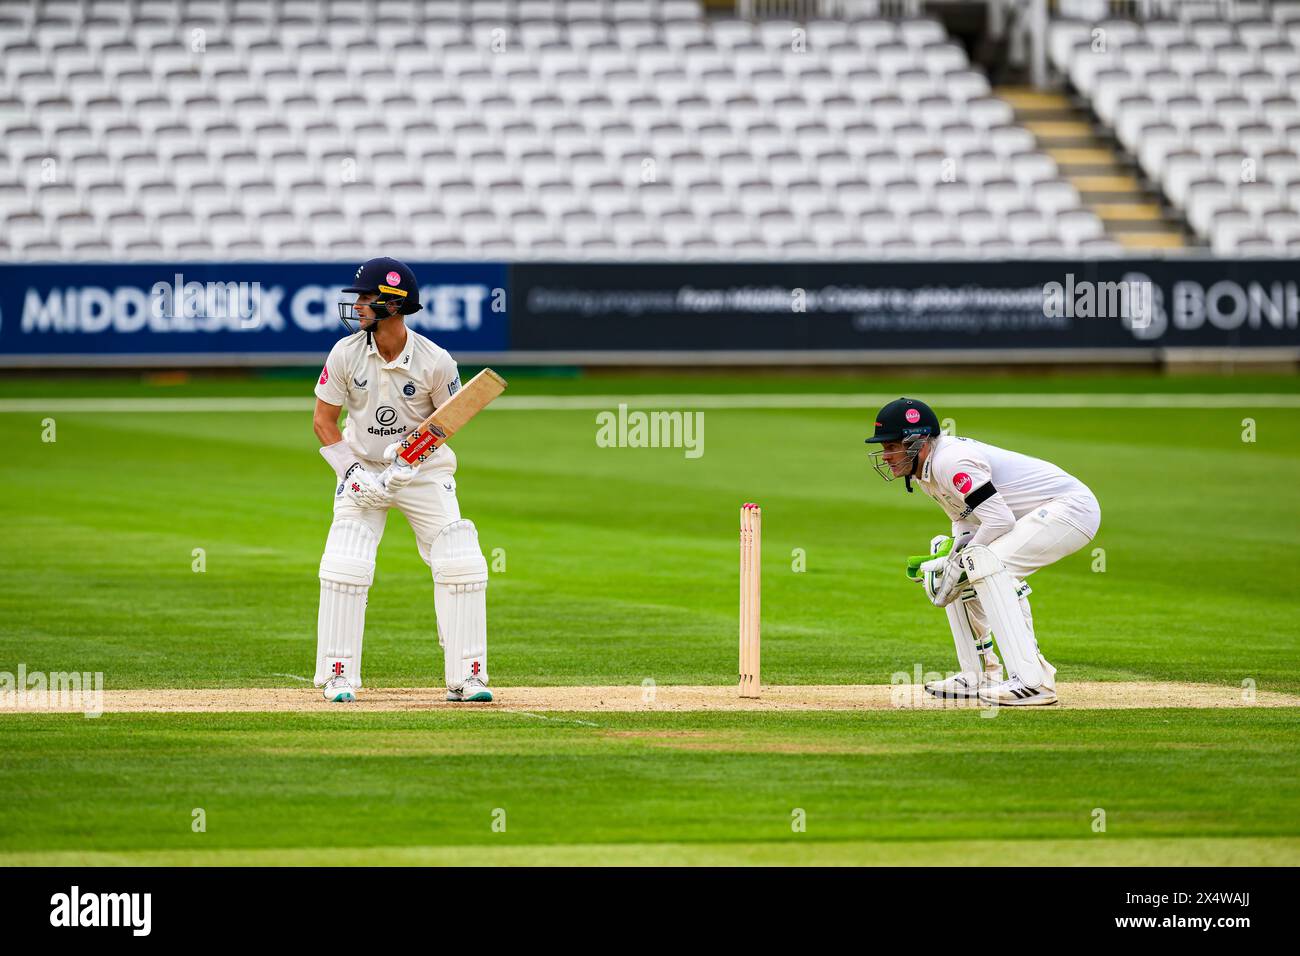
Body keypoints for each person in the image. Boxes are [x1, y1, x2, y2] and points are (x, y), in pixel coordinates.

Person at [310, 256, 491, 703]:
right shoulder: (345, 353)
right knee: (346, 560)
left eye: (368, 299)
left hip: (423, 470)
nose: (359, 307)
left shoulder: (436, 361)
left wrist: (412, 456)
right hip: (364, 469)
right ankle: (339, 675)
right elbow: (323, 421)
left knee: (459, 557)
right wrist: (350, 472)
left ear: (394, 304)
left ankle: (468, 676)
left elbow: (451, 419)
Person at [865, 398, 1100, 706]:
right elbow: (964, 520)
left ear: (917, 442)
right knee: (961, 564)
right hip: (1035, 514)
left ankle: (1034, 682)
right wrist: (951, 565)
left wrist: (963, 562)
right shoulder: (925, 471)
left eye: (891, 446)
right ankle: (981, 675)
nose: (886, 455)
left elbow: (1000, 520)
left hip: (1070, 510)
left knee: (988, 567)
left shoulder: (950, 462)